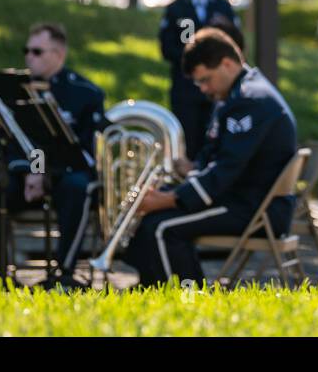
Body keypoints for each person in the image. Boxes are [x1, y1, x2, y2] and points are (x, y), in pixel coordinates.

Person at [122, 28, 297, 287]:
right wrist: (189, 171)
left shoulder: (250, 100)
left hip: (255, 209)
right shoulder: (236, 94)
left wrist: (170, 199)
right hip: (241, 198)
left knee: (163, 228)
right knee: (150, 221)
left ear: (227, 64)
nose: (204, 89)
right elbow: (215, 157)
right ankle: (152, 288)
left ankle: (189, 299)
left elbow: (227, 169)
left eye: (206, 79)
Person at [0, 22, 106, 284]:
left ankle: (64, 273)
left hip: (65, 176)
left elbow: (87, 150)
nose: (28, 57)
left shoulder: (85, 93)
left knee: (78, 188)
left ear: (58, 54)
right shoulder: (13, 91)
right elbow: (4, 141)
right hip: (24, 176)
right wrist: (28, 172)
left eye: (37, 51)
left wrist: (46, 173)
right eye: (27, 50)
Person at [158, 0, 242, 158]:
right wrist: (194, 62)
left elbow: (236, 43)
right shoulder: (176, 8)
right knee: (188, 139)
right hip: (186, 87)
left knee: (215, 138)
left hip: (219, 87)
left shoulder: (222, 7)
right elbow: (167, 47)